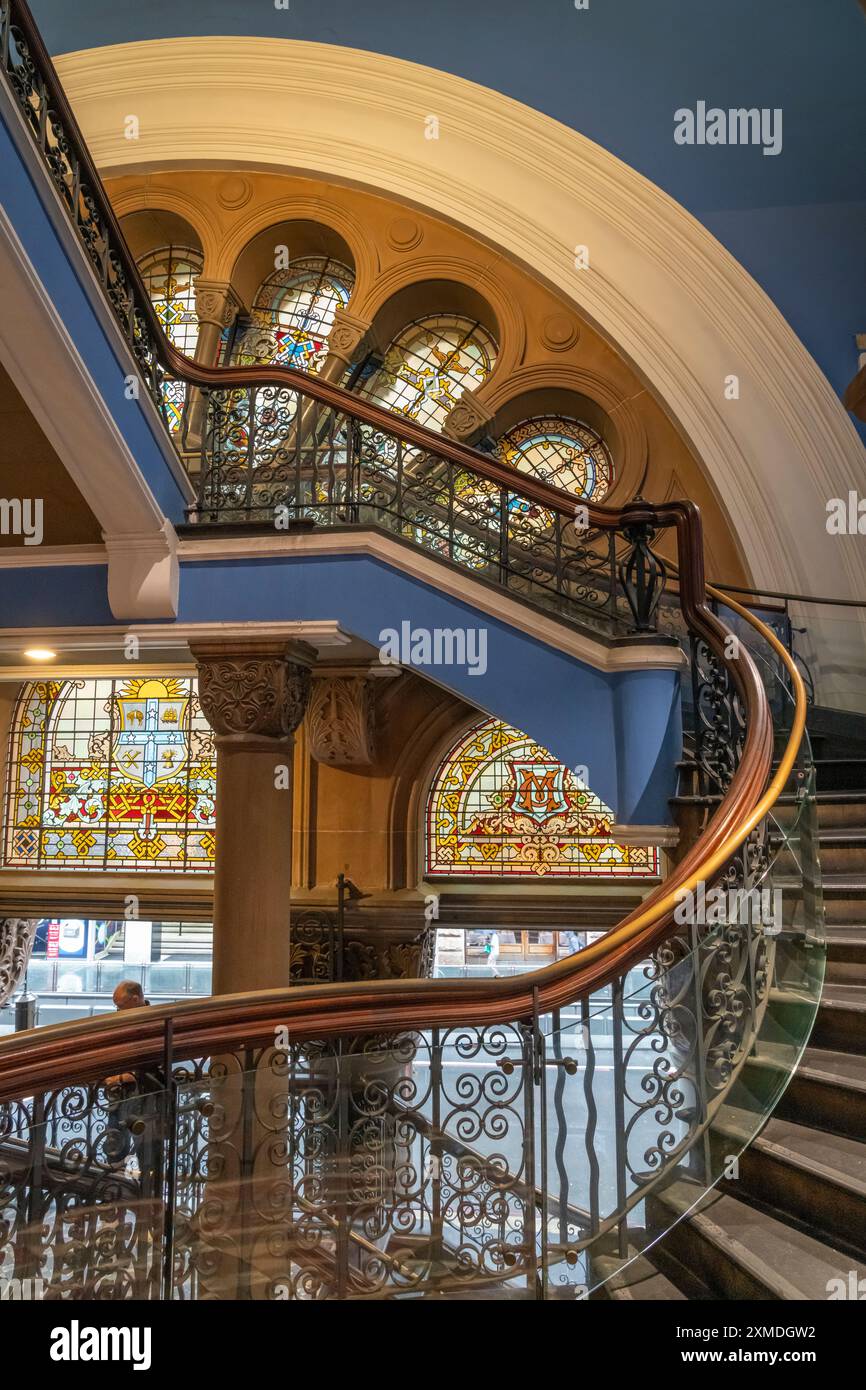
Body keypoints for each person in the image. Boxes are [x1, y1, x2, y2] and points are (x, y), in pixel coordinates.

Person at [104, 981, 162, 1185]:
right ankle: (117, 1193)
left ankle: (146, 1195)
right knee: (115, 1146)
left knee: (146, 1150)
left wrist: (129, 1075)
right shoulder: (124, 1018)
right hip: (120, 1093)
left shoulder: (156, 1021)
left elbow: (157, 1059)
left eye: (120, 1005)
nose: (117, 1010)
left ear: (135, 999)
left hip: (143, 1095)